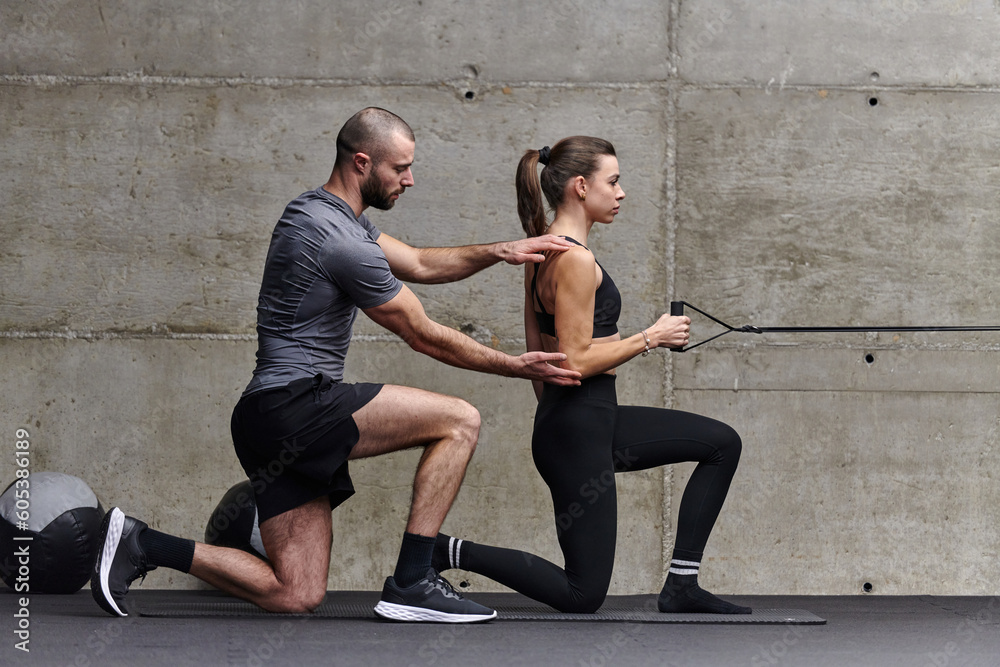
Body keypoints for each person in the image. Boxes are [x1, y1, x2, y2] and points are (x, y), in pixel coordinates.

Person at [90, 107, 582, 624]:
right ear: (363, 162)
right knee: (460, 421)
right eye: (400, 169)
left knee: (294, 591)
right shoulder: (341, 242)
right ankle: (414, 579)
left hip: (265, 419)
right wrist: (518, 366)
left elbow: (418, 262)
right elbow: (422, 334)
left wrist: (500, 250)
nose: (409, 180)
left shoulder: (316, 213)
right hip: (298, 405)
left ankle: (141, 543)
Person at [432, 136, 750, 615]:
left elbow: (545, 352)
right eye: (614, 181)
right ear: (581, 186)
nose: (621, 193)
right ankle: (440, 550)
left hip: (582, 424)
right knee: (583, 593)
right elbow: (576, 361)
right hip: (579, 431)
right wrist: (652, 337)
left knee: (721, 443)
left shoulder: (543, 249)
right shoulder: (576, 259)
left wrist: (562, 415)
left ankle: (682, 584)